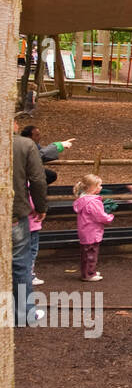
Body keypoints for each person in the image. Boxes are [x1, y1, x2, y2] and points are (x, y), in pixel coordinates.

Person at [12, 119, 48, 323]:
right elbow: (37, 179)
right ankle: (25, 314)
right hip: (15, 214)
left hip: (15, 212)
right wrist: (41, 207)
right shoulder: (25, 145)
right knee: (20, 263)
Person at [73, 174, 113, 282]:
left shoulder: (82, 200)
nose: (101, 187)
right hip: (92, 232)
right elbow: (100, 216)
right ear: (91, 188)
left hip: (85, 232)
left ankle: (88, 271)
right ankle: (88, 274)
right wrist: (109, 217)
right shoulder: (94, 202)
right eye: (99, 185)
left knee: (85, 254)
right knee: (91, 254)